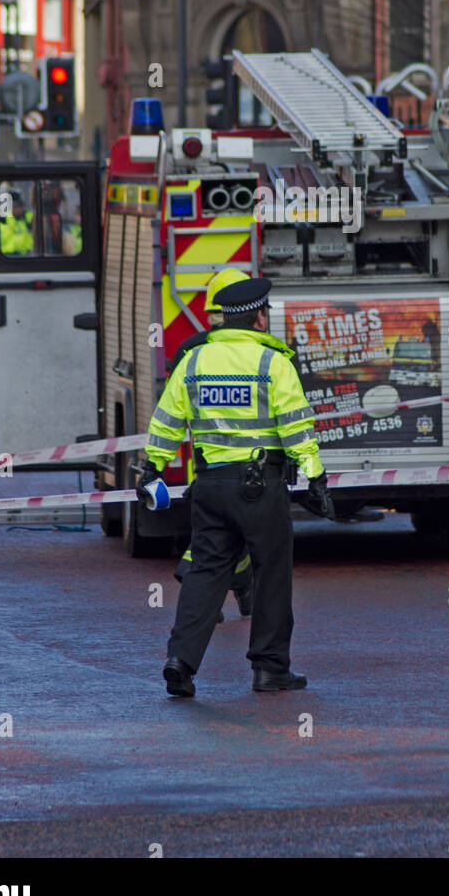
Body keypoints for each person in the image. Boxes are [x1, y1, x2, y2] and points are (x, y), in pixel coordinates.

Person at [139, 276, 333, 697]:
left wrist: (152, 469)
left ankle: (181, 661)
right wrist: (315, 476)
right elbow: (296, 426)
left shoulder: (194, 361)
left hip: (209, 486)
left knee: (205, 573)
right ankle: (270, 669)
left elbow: (167, 421)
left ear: (225, 318)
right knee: (271, 575)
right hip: (261, 487)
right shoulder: (272, 362)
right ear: (259, 316)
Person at [171, 268, 254, 620]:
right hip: (252, 467)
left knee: (216, 536)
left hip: (205, 466)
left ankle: (224, 589)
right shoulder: (261, 352)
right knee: (235, 537)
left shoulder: (191, 349)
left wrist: (152, 466)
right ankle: (215, 584)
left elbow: (173, 406)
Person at [0, 189, 34, 255]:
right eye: (14, 207)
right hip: (7, 255)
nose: (18, 209)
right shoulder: (3, 219)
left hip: (28, 254)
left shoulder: (28, 216)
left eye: (19, 206)